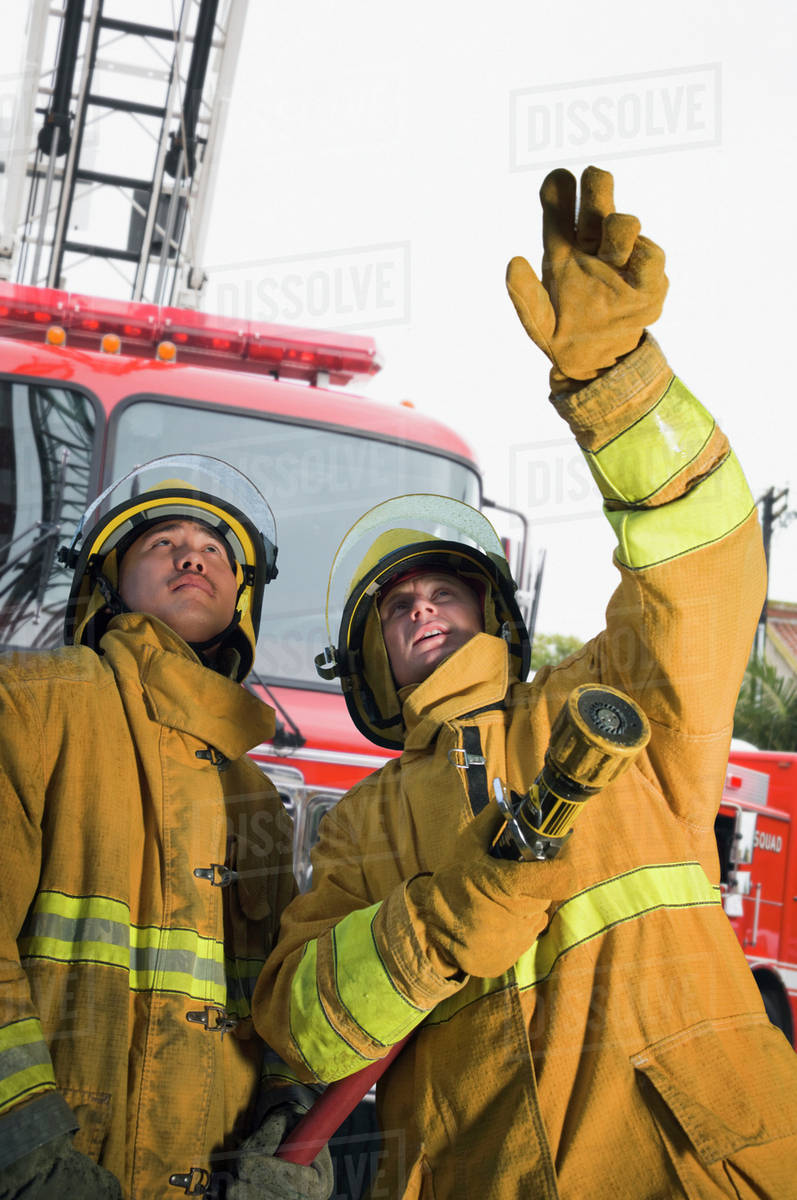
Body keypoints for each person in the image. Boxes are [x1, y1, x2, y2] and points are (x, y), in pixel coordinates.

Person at [253, 168, 797, 1199]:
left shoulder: (610, 701)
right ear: (369, 662)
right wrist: (442, 921)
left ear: (488, 612)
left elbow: (705, 562)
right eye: (395, 605)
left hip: (696, 1172)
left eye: (441, 591)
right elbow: (304, 1026)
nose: (420, 609)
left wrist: (615, 373)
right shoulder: (363, 827)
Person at [0, 455, 332, 1199]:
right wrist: (24, 1151)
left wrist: (289, 1117)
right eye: (162, 544)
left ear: (240, 601)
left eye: (213, 550)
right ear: (108, 586)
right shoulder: (31, 706)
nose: (191, 553)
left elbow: (272, 996)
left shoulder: (252, 794)